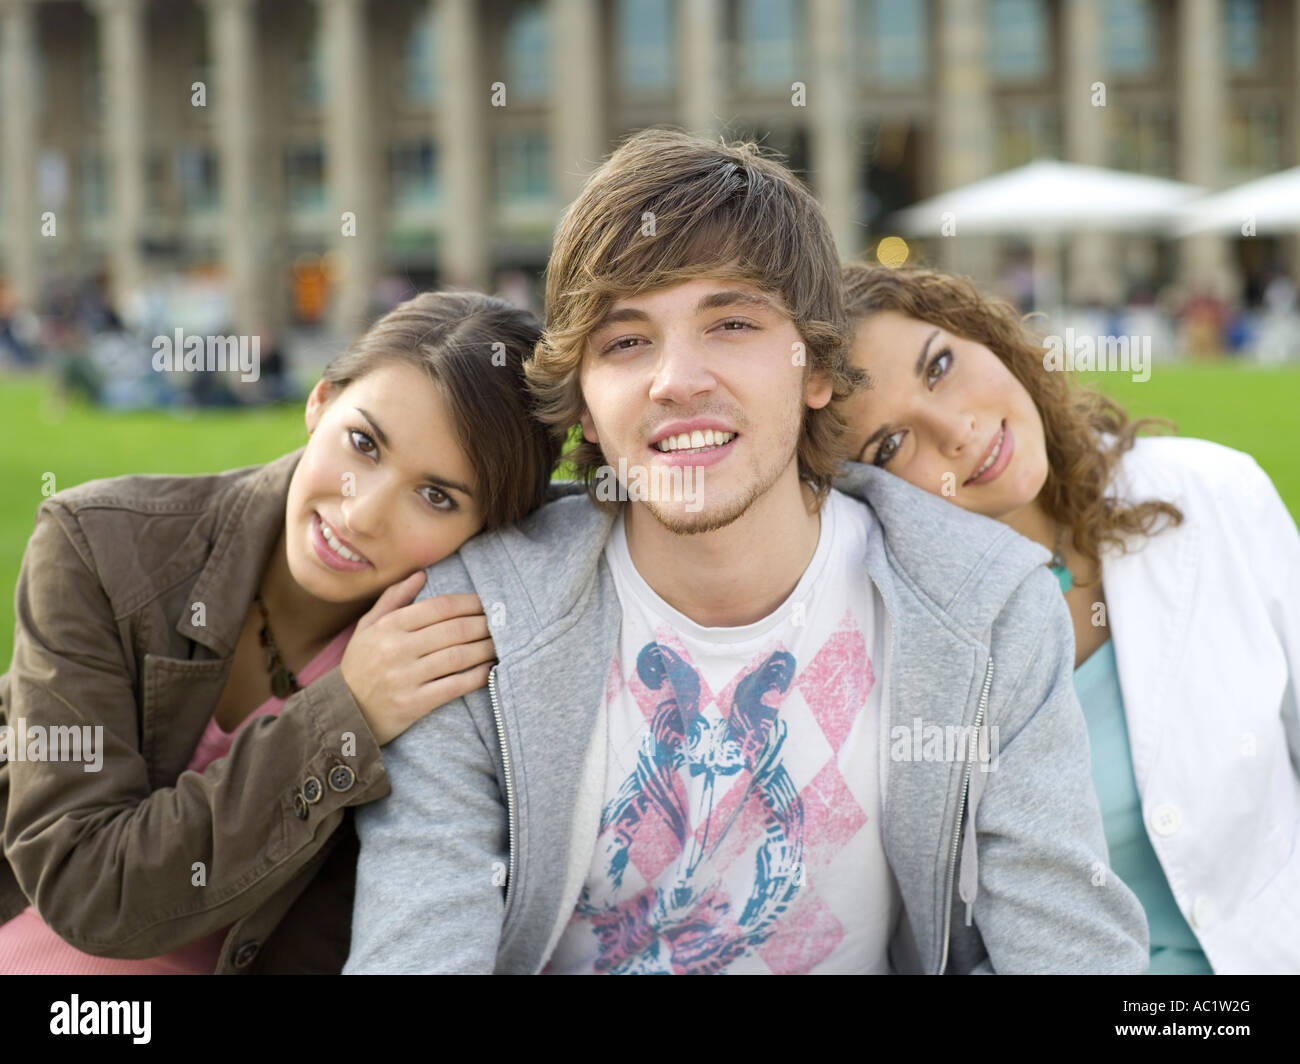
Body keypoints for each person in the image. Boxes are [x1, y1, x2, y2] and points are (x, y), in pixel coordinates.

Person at [344, 129, 1148, 975]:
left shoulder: (989, 607)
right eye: (626, 342)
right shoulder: (472, 620)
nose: (677, 379)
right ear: (581, 401)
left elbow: (1071, 955)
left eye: (731, 323)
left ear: (817, 371)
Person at [0, 290, 560, 973]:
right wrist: (344, 716)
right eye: (364, 444)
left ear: (490, 532)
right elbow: (88, 888)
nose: (361, 514)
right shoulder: (99, 549)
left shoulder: (450, 657)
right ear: (319, 401)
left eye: (436, 495)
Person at [838, 262, 1300, 974]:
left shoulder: (1219, 494)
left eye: (940, 367)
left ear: (983, 334)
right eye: (890, 445)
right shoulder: (884, 648)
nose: (956, 430)